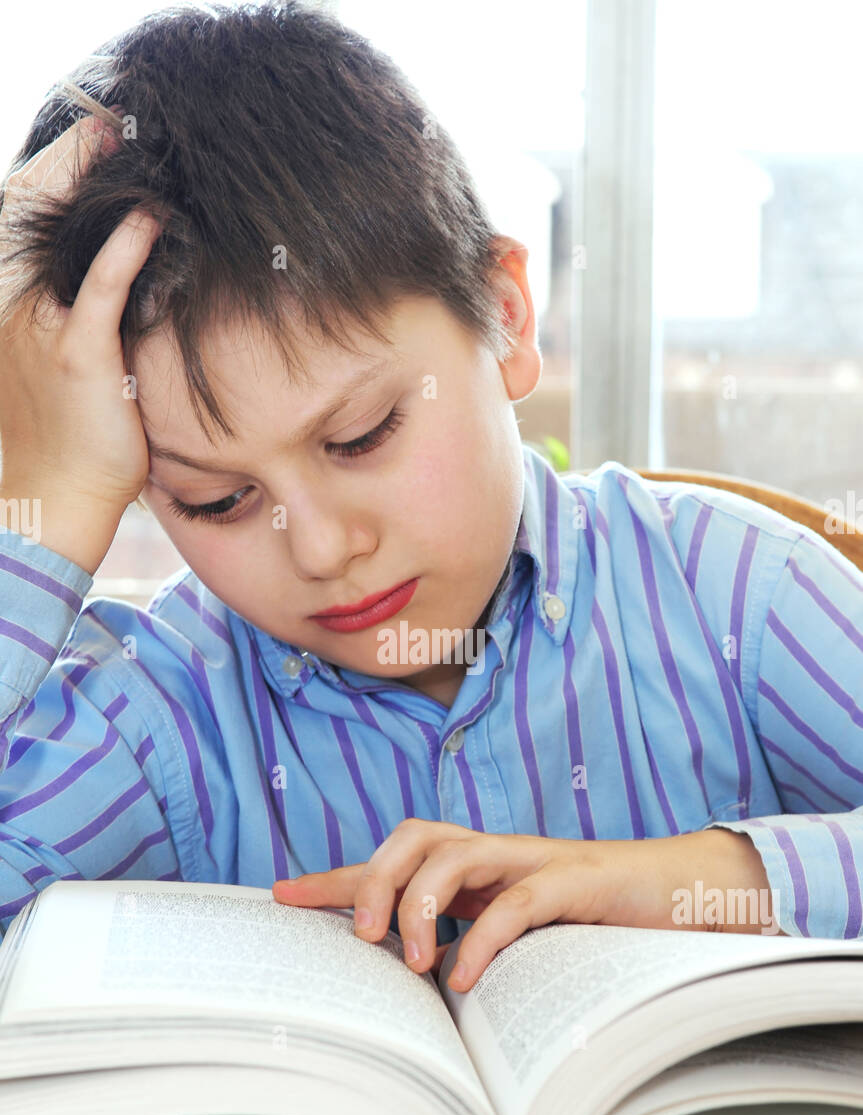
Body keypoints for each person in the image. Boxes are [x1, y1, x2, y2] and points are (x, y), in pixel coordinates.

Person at [1, 3, 861, 996]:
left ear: (502, 314)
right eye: (217, 499)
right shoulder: (161, 713)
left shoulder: (729, 594)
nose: (321, 548)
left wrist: (686, 878)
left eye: (361, 436)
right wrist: (47, 498)